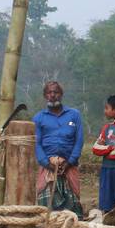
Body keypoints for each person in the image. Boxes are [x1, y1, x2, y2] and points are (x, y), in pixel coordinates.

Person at [33, 81, 84, 213]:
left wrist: (69, 162)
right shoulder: (39, 118)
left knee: (72, 209)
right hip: (48, 167)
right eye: (49, 92)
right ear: (45, 95)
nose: (52, 95)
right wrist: (47, 163)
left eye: (55, 92)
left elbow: (79, 141)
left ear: (61, 94)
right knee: (46, 210)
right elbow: (36, 144)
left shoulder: (74, 115)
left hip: (69, 166)